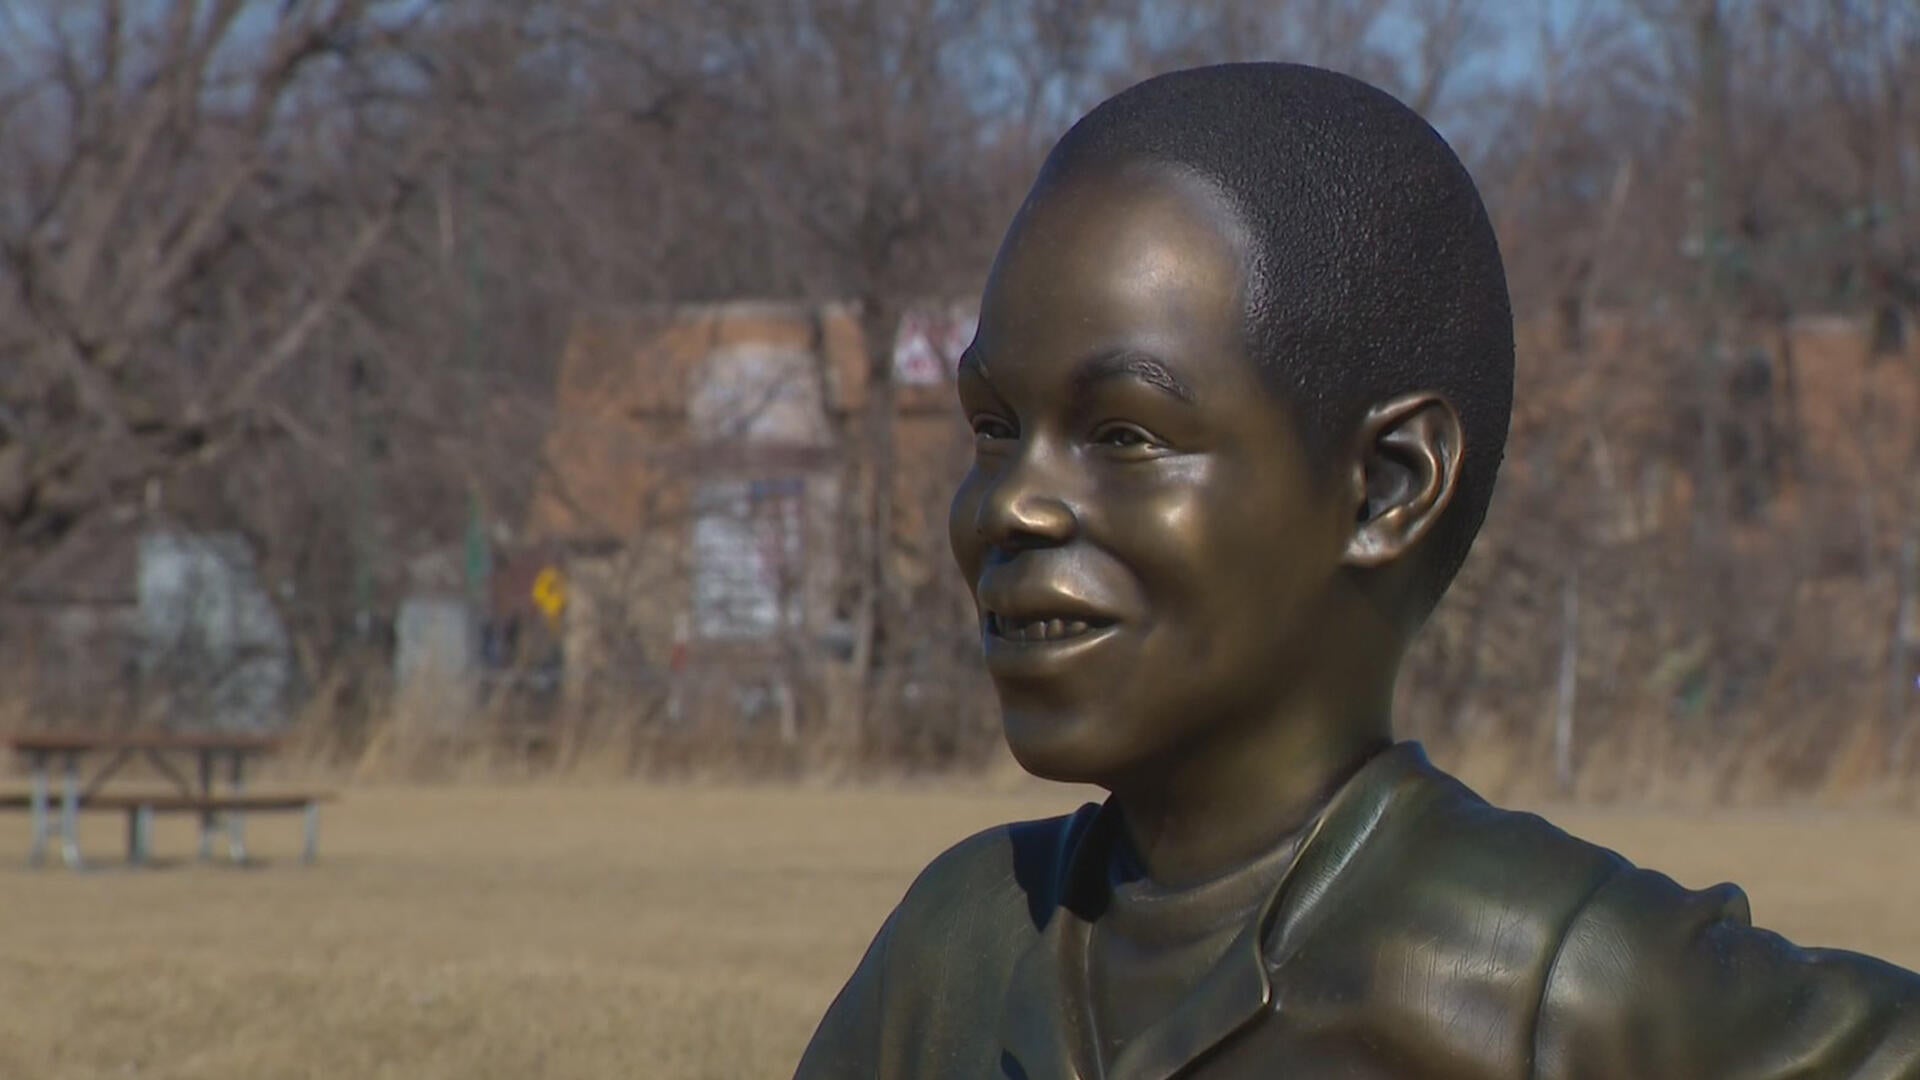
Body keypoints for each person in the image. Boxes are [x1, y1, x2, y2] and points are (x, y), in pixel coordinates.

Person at [793, 63, 1920, 1080]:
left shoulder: (1548, 977)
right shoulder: (960, 948)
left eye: (1124, 435)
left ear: (1387, 487)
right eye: (994, 428)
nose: (1012, 504)